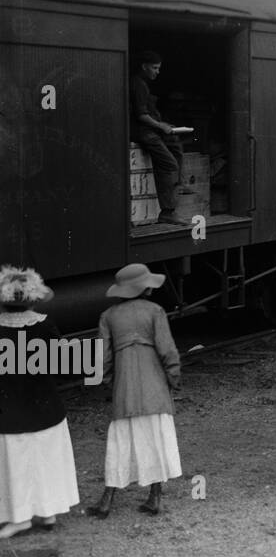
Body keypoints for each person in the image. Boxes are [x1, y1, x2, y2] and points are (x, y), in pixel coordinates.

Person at [86, 264, 182, 519]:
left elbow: (101, 359)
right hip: (154, 387)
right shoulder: (156, 311)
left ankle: (107, 500)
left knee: (120, 443)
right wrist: (172, 378)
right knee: (156, 438)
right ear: (144, 289)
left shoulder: (108, 316)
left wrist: (110, 382)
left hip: (125, 390)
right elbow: (167, 350)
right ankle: (155, 497)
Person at [0, 267, 80, 538]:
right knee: (44, 459)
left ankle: (19, 518)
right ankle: (47, 512)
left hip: (9, 412)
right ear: (33, 300)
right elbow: (66, 367)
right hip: (46, 408)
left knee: (16, 463)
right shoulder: (44, 325)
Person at [128, 51, 187, 224]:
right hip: (142, 132)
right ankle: (167, 211)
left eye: (158, 68)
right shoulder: (137, 84)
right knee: (169, 164)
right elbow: (141, 116)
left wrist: (165, 125)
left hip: (150, 129)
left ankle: (178, 185)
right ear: (144, 66)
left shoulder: (143, 84)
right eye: (154, 68)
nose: (157, 72)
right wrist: (161, 126)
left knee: (176, 146)